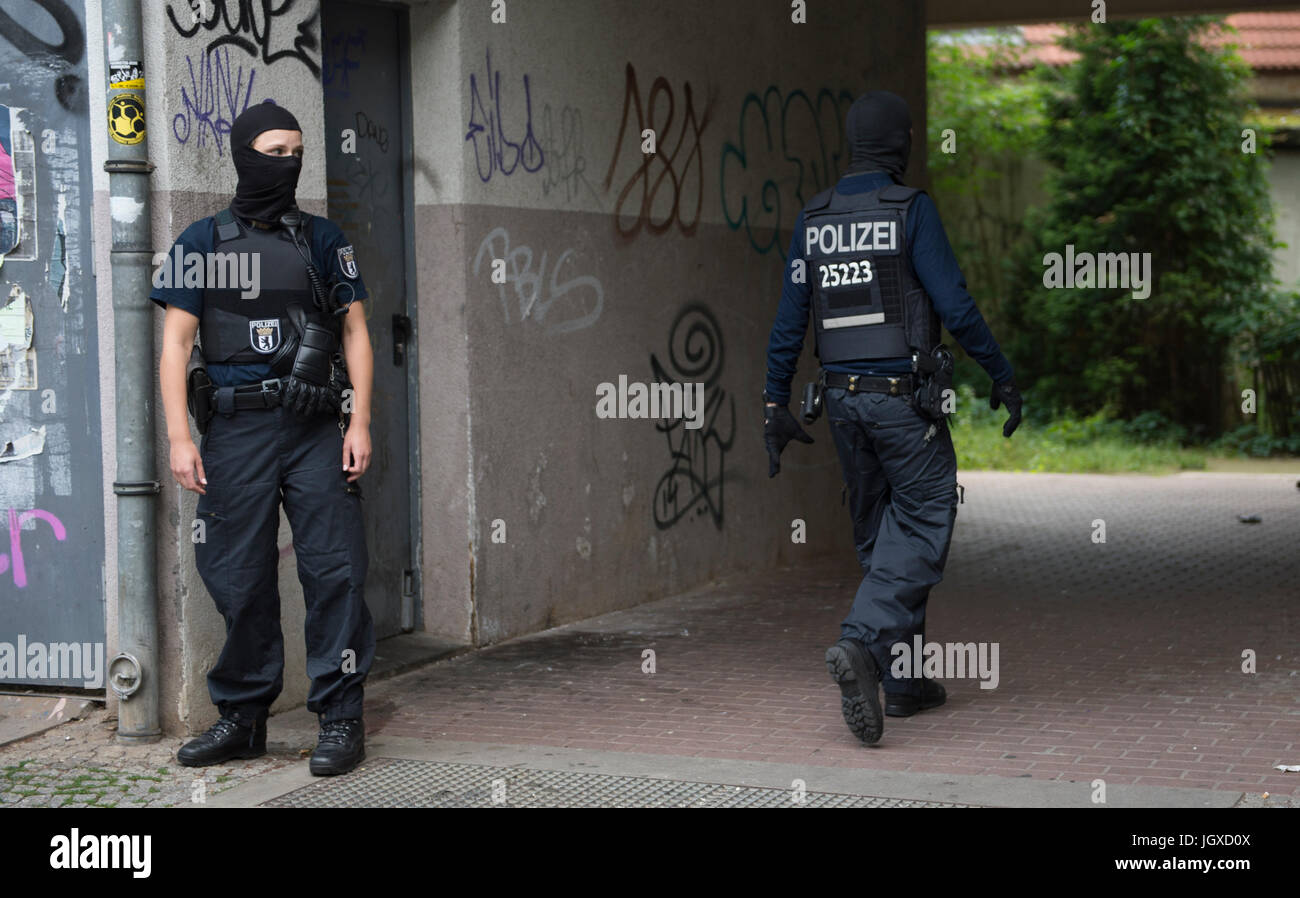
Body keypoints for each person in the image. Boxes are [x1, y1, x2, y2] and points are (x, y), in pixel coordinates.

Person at [762, 90, 1022, 745]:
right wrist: (1000, 371)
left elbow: (791, 319)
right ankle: (862, 647)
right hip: (902, 400)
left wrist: (773, 403)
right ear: (900, 143)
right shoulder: (911, 210)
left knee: (884, 535)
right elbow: (955, 306)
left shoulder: (814, 219)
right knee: (927, 513)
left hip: (842, 405)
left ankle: (903, 682)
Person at [154, 103, 376, 775]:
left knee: (334, 570)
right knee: (237, 575)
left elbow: (357, 329)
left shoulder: (320, 238)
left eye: (297, 151)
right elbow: (175, 345)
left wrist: (360, 420)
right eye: (275, 150)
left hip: (313, 429)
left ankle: (340, 718)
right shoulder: (200, 241)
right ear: (243, 154)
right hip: (234, 431)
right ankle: (243, 717)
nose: (288, 163)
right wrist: (177, 436)